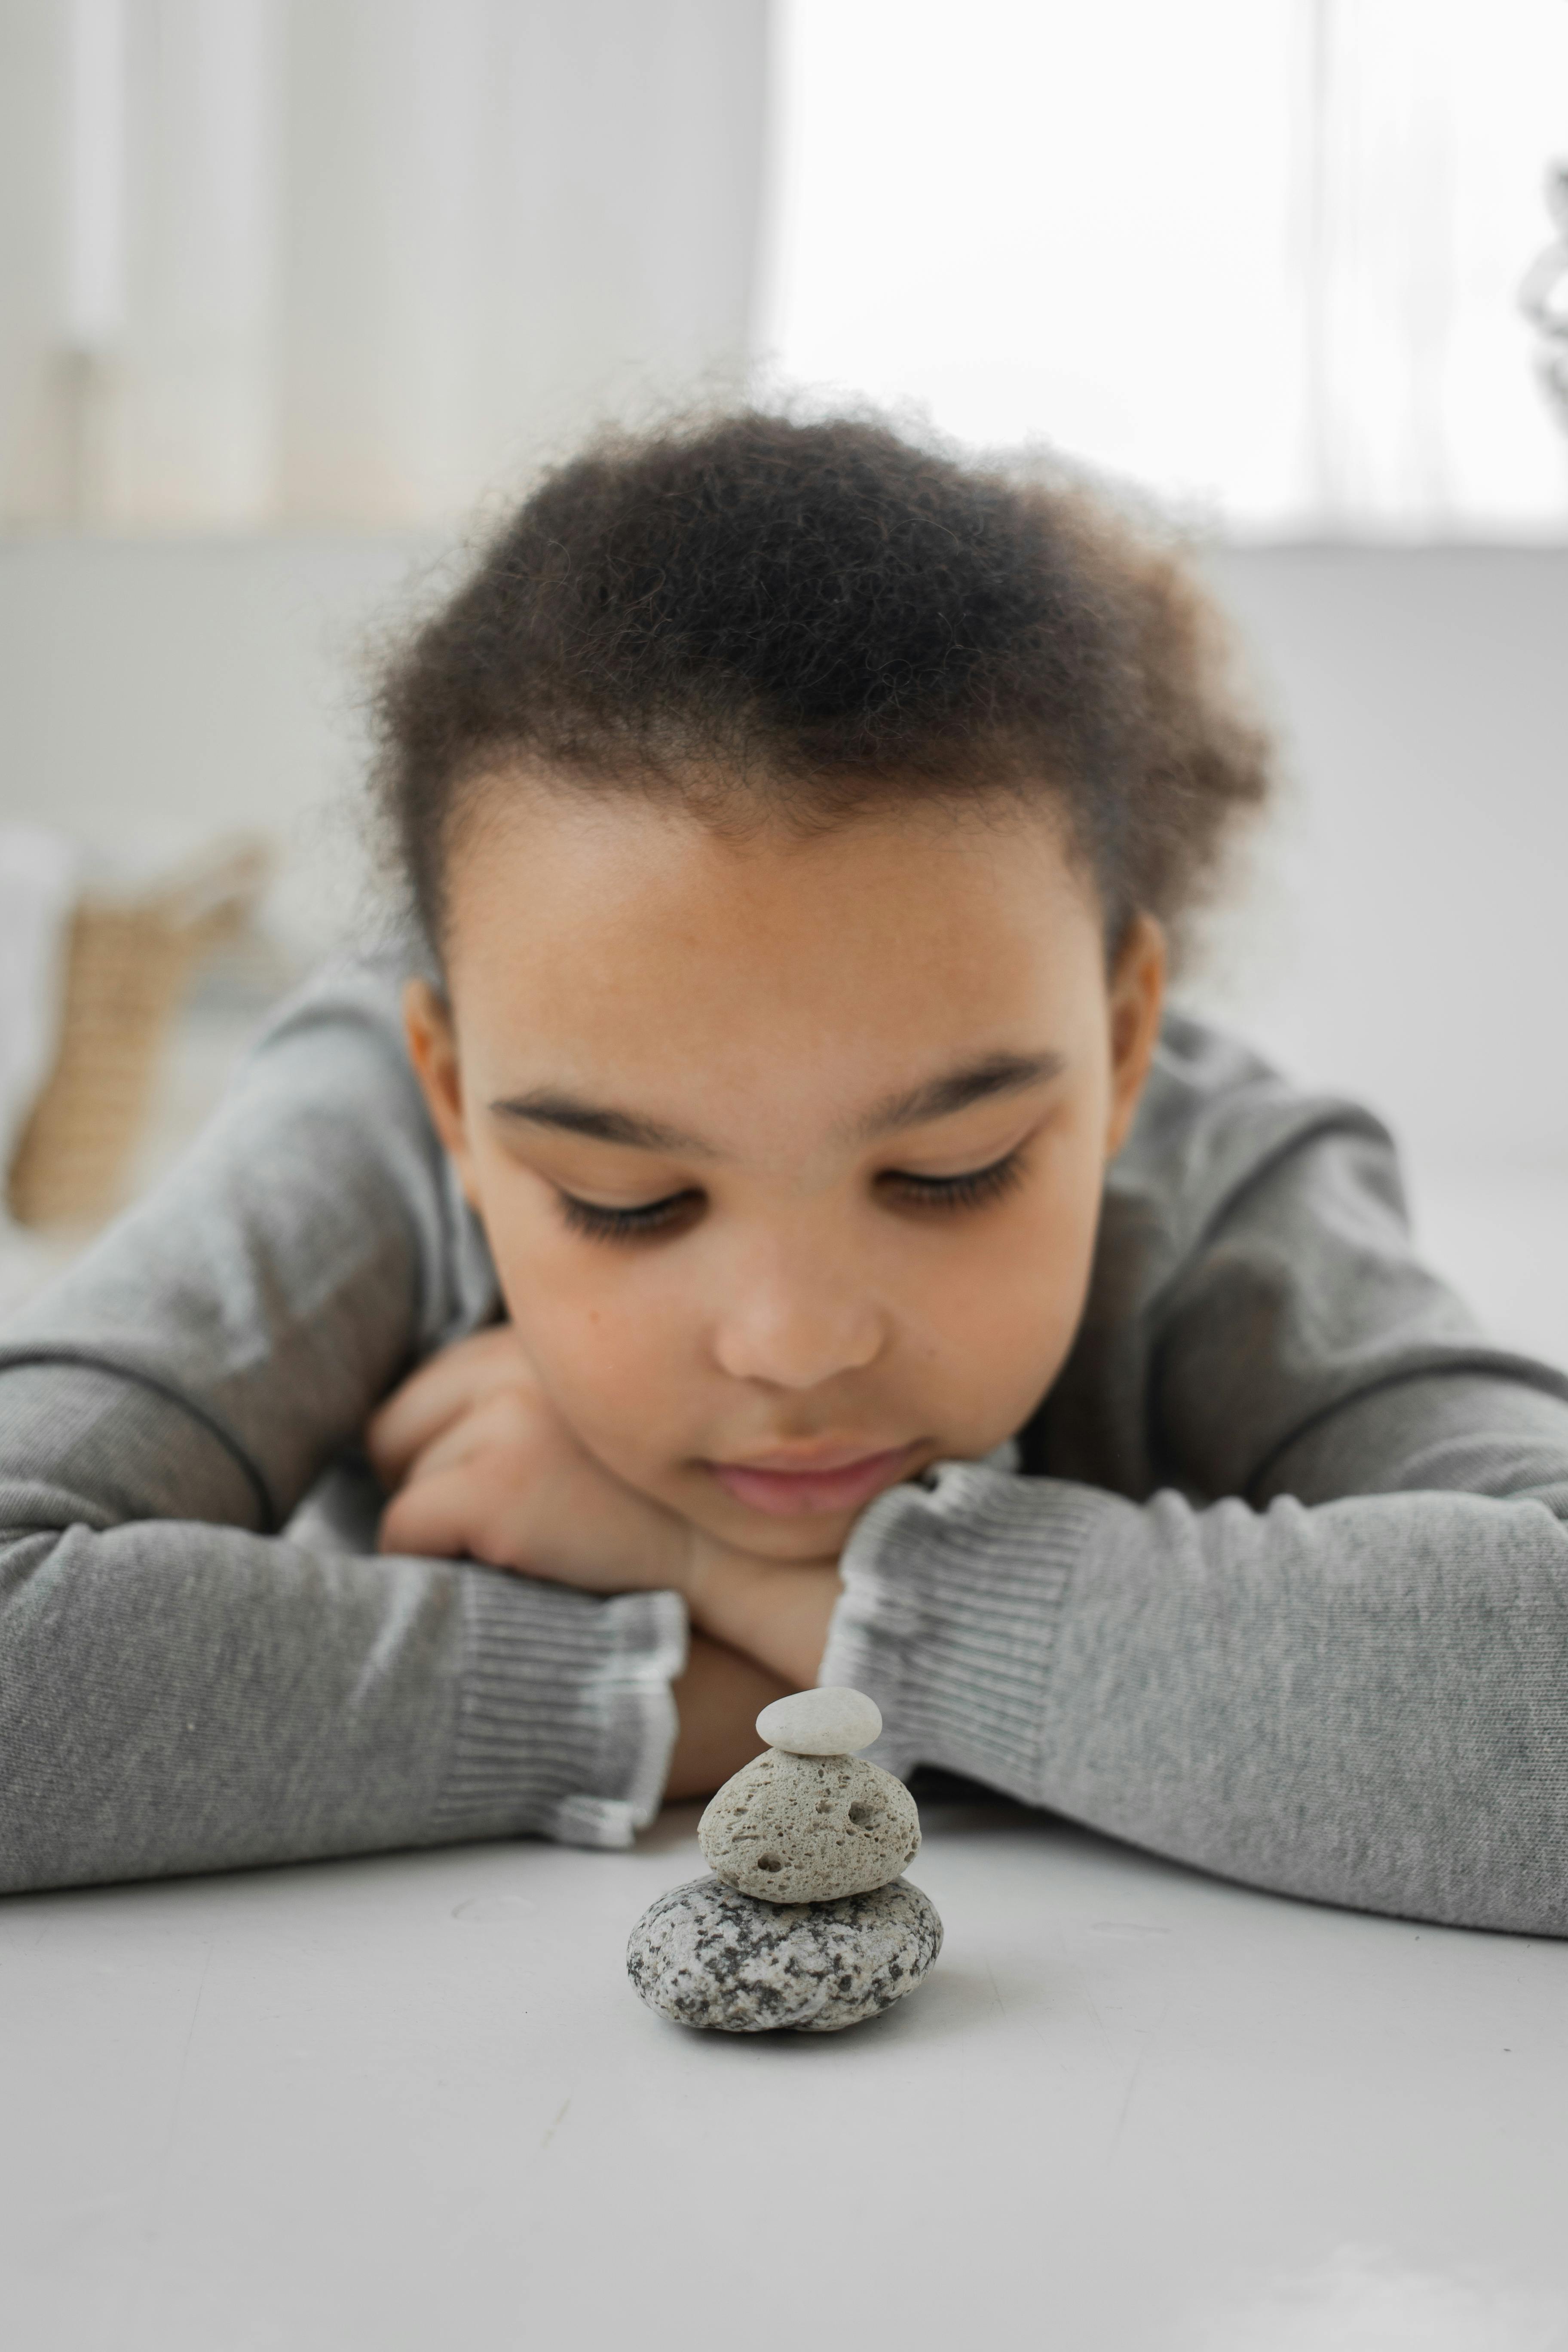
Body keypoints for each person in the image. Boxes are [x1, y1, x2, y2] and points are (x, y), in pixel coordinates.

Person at [3, 413, 1565, 1932]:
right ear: (456, 1099)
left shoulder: (1222, 1187)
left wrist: (761, 1590)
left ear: (1125, 1043)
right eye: (630, 1201)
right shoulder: (360, 1128)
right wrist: (683, 1703)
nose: (794, 1342)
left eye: (951, 1171)